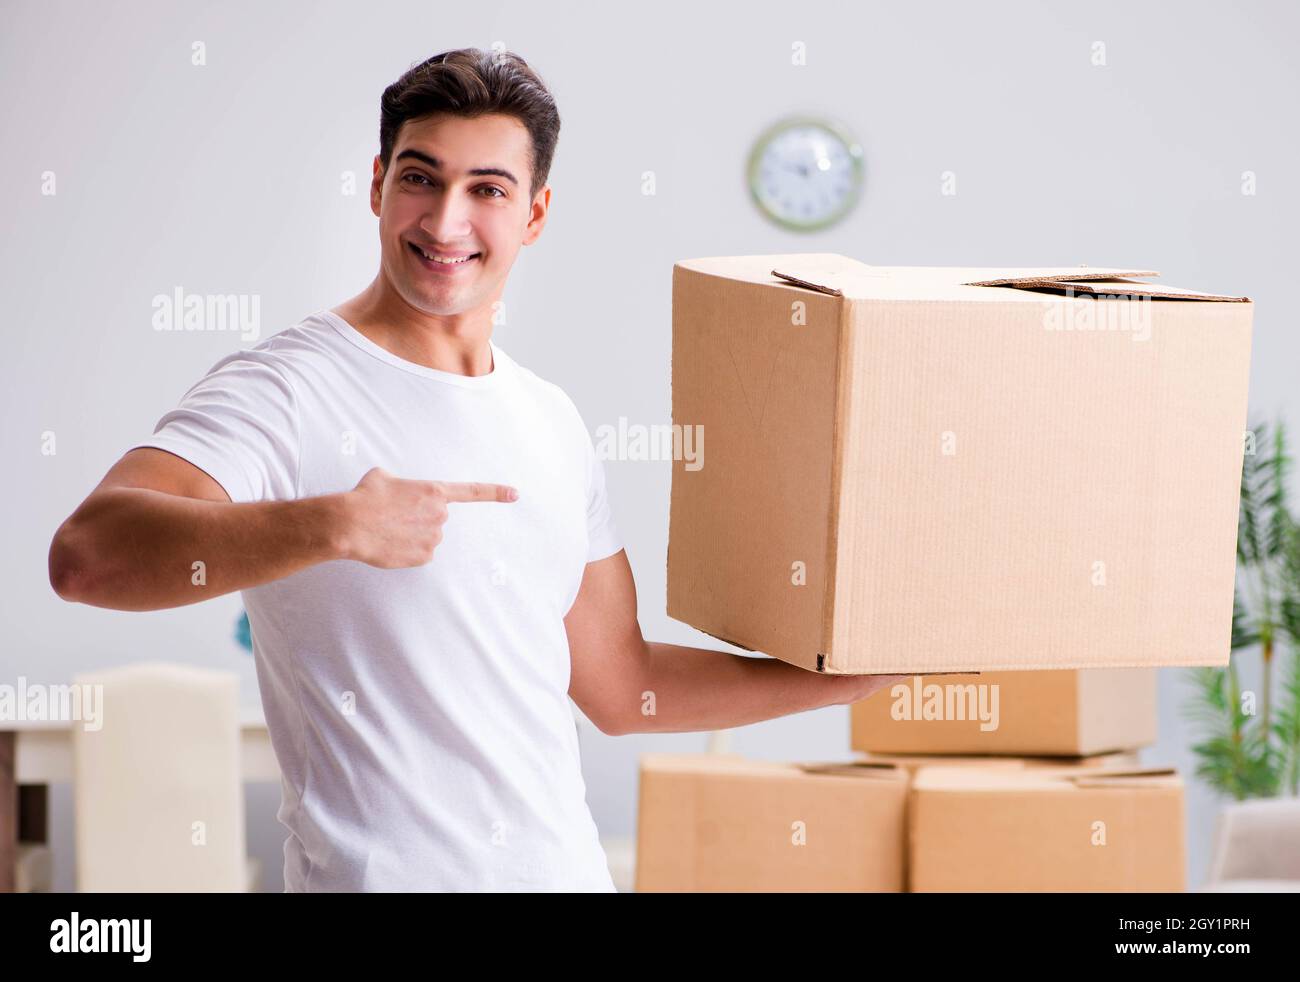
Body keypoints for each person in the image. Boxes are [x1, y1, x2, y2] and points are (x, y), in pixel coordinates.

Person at [47, 47, 902, 892]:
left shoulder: (551, 421)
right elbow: (87, 556)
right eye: (421, 178)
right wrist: (333, 524)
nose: (446, 221)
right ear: (378, 186)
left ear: (533, 214)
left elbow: (623, 688)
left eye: (487, 189)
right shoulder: (288, 385)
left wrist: (832, 684)